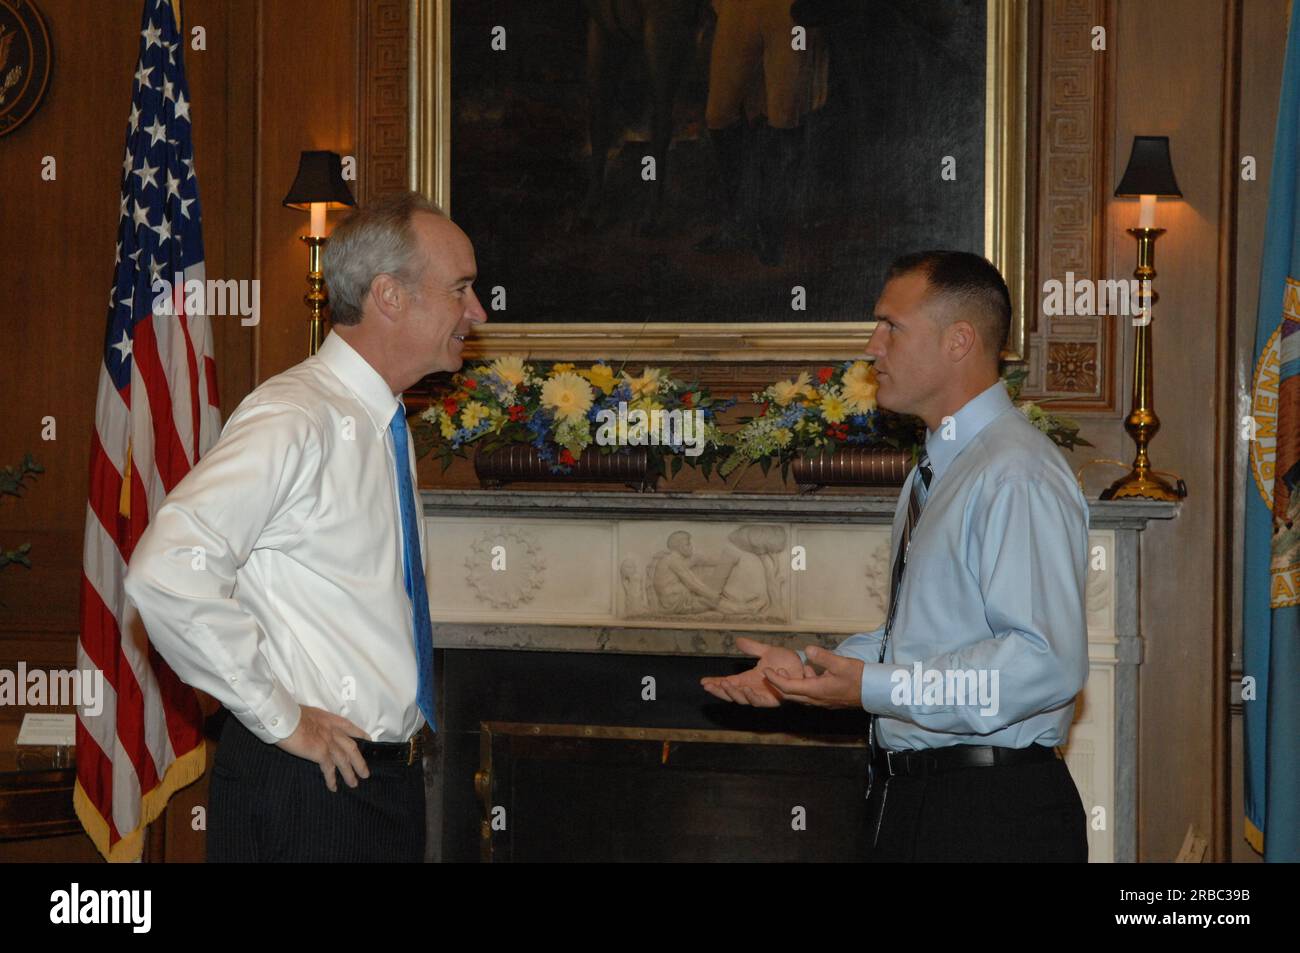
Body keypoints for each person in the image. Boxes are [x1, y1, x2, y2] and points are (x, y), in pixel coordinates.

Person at [124, 190, 488, 861]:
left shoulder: (384, 420)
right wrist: (282, 716)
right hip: (309, 792)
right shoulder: (297, 415)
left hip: (381, 784)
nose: (477, 311)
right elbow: (165, 569)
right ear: (389, 295)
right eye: (460, 288)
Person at [701, 250, 1091, 862]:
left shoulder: (1015, 473)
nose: (871, 346)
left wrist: (874, 688)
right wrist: (809, 671)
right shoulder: (937, 470)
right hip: (915, 800)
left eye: (891, 327)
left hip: (990, 814)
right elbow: (921, 638)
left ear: (959, 341)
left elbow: (1044, 662)